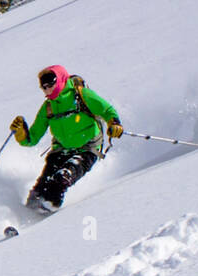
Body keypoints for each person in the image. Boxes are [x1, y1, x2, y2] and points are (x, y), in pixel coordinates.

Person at [10, 65, 123, 212]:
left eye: (51, 84)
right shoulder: (48, 107)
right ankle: (27, 216)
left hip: (87, 149)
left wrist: (114, 123)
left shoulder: (82, 95)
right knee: (40, 188)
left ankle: (50, 208)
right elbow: (32, 138)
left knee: (62, 178)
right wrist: (21, 133)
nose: (47, 90)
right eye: (43, 87)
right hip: (61, 150)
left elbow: (106, 110)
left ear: (61, 80)